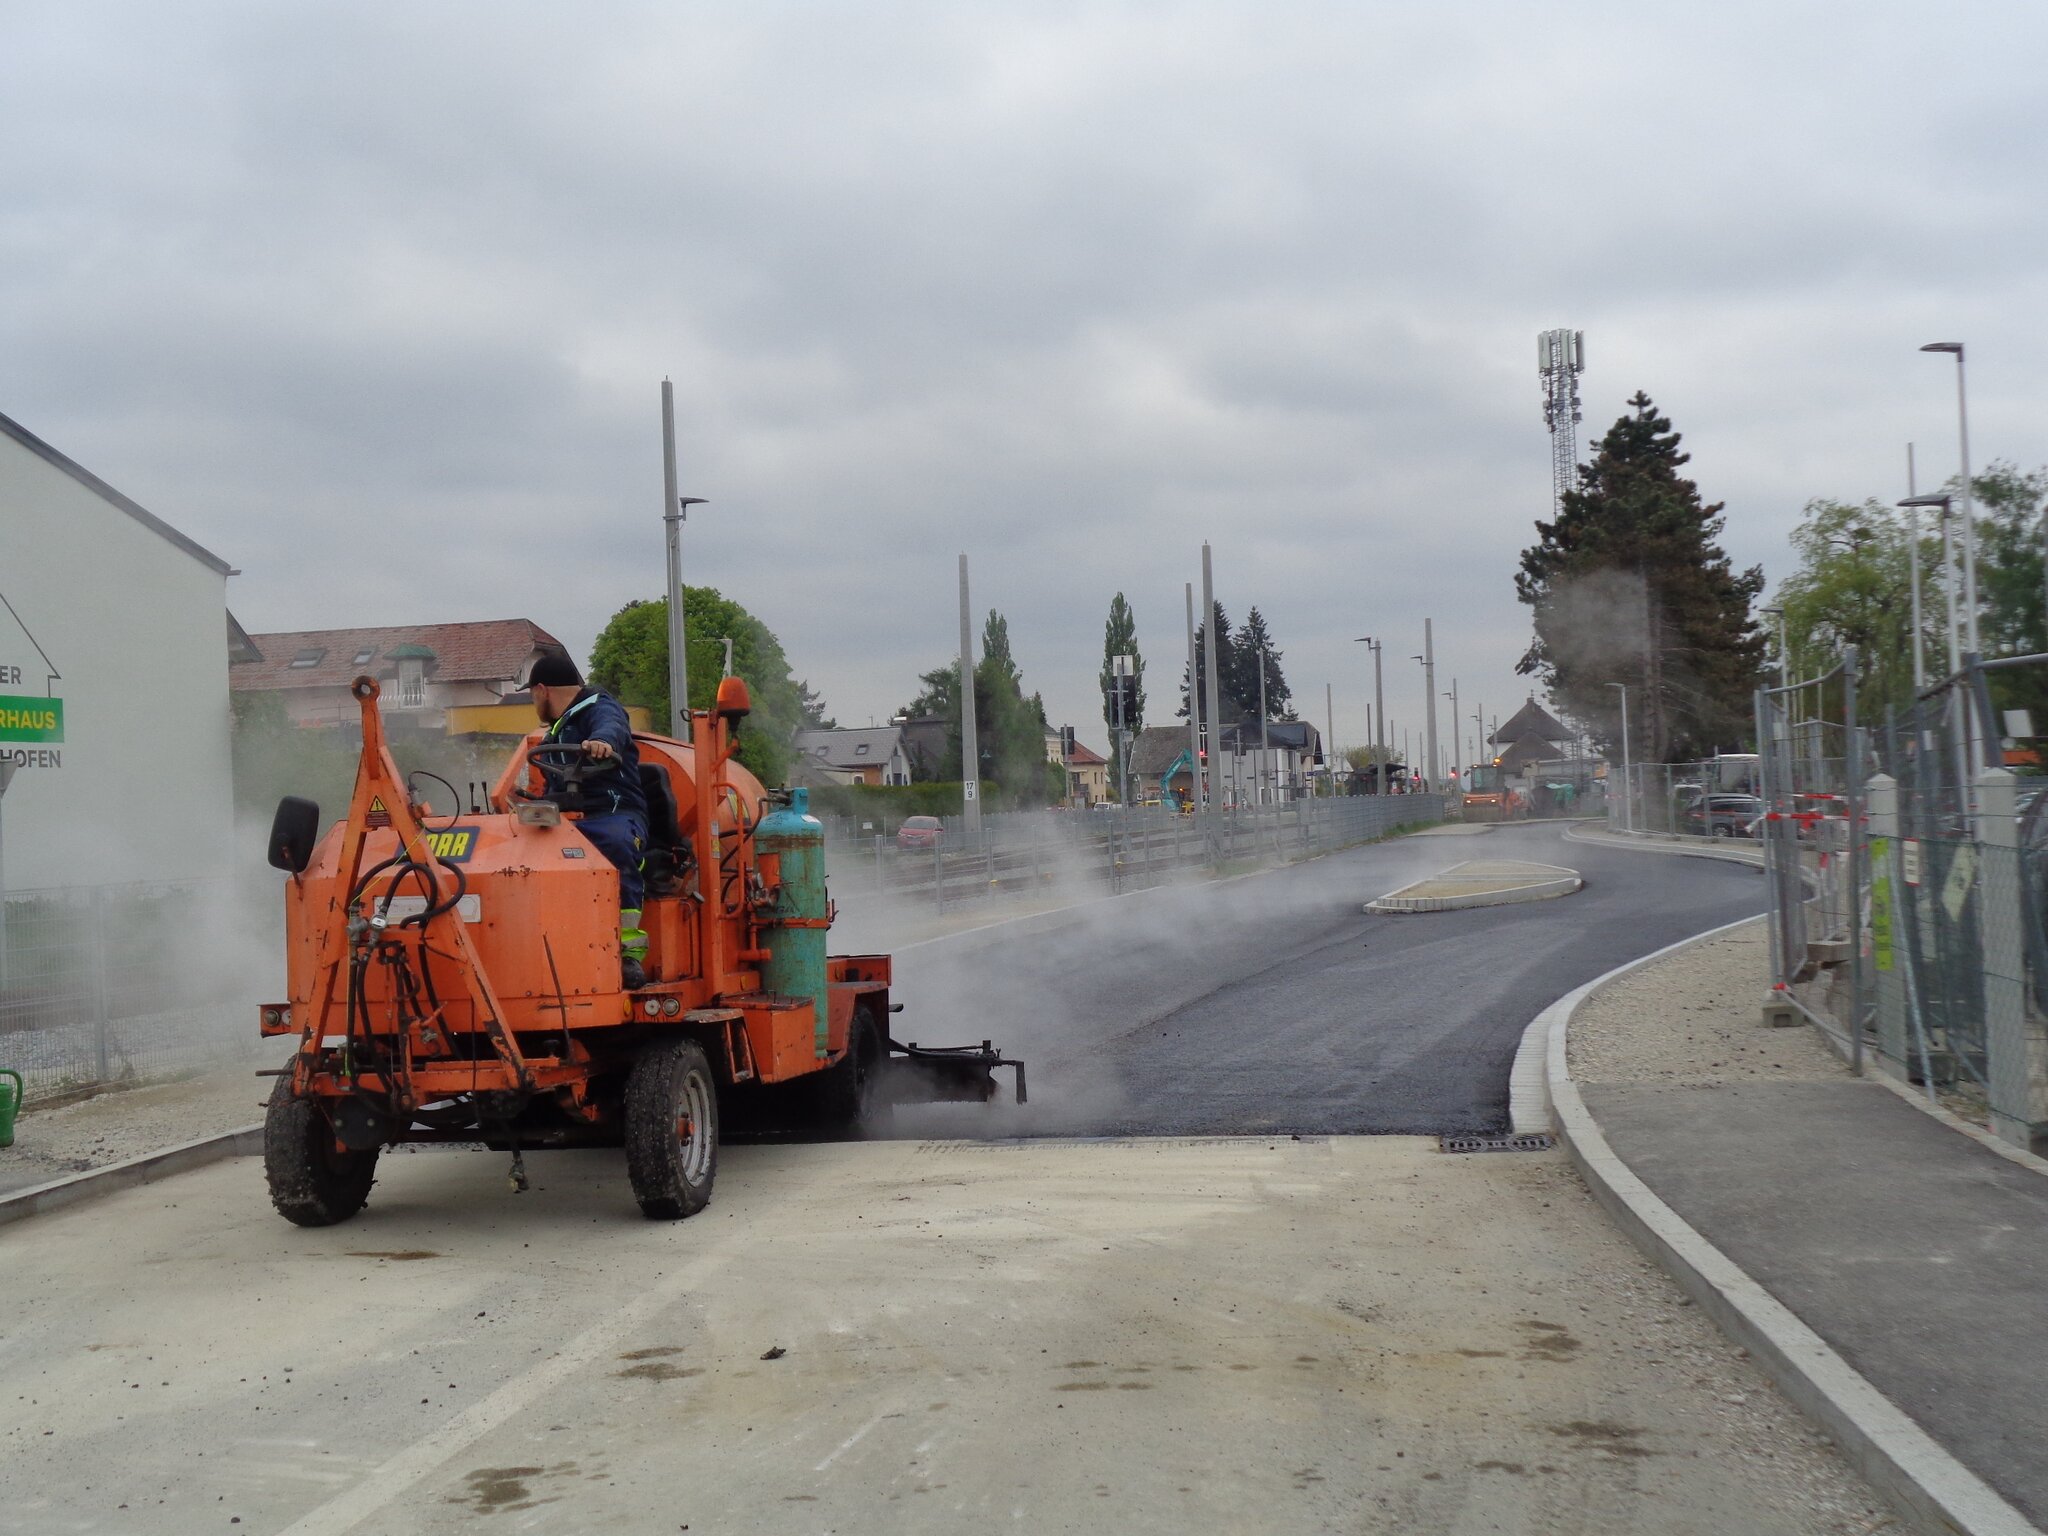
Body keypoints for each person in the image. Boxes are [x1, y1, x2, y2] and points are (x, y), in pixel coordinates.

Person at [525, 653, 650, 989]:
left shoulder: (600, 706)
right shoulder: (555, 732)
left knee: (615, 844)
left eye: (532, 695)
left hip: (613, 812)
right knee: (522, 847)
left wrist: (603, 743)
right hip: (568, 816)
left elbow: (613, 728)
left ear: (542, 690)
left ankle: (627, 953)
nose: (533, 702)